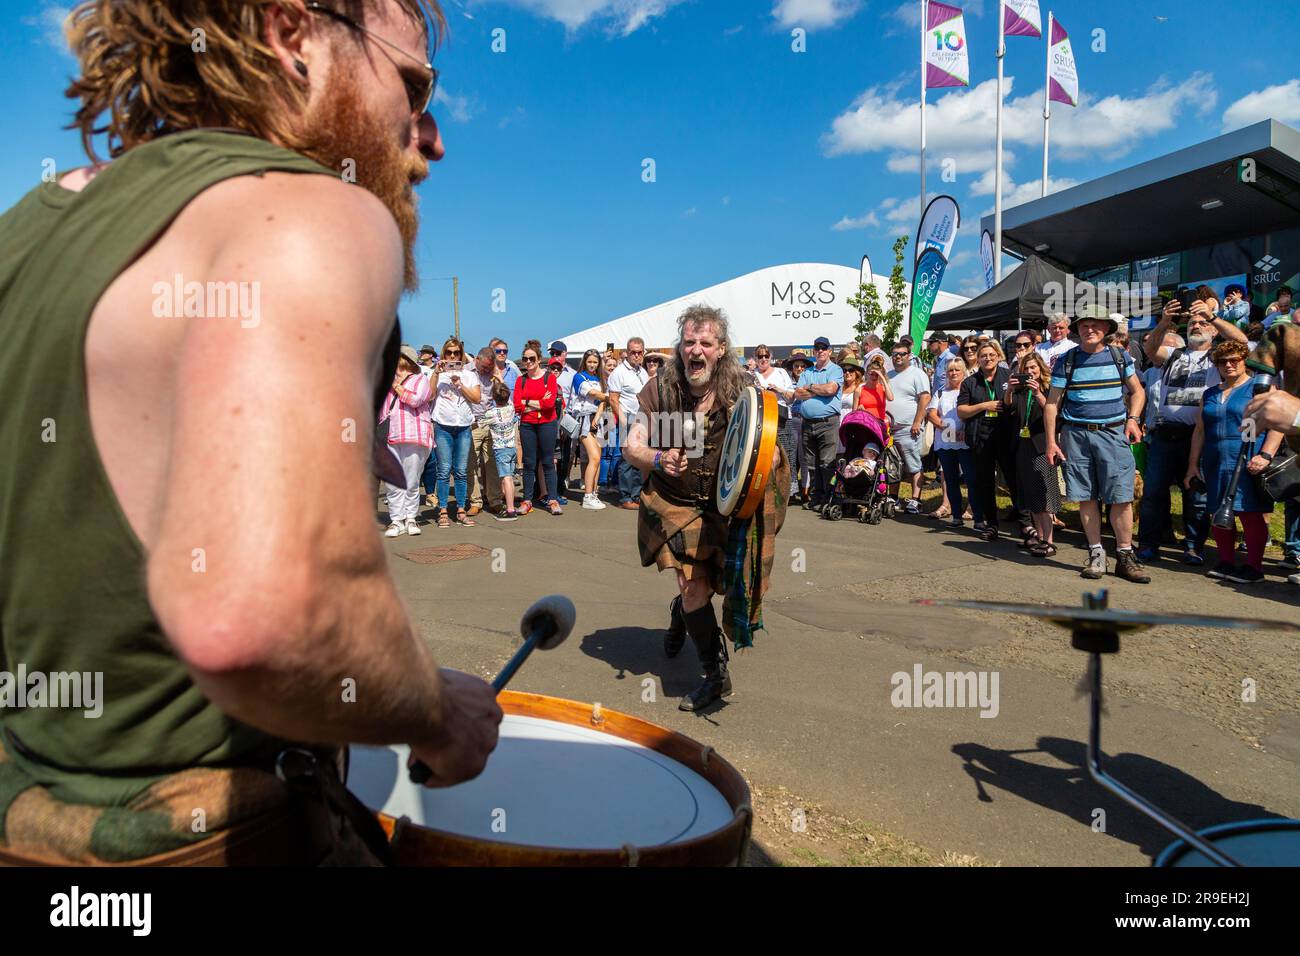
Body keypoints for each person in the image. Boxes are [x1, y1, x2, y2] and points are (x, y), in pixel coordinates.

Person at [0, 0, 505, 865]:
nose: (431, 137)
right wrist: (439, 712)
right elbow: (263, 615)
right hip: (205, 836)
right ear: (291, 35)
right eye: (415, 86)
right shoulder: (318, 210)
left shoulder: (28, 229)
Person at [623, 305, 790, 711]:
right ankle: (716, 676)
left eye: (705, 343)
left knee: (708, 584)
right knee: (695, 586)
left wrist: (765, 467)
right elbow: (632, 446)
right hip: (673, 502)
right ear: (680, 348)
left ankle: (682, 615)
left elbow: (764, 444)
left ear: (721, 349)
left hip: (725, 504)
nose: (696, 350)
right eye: (689, 342)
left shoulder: (743, 391)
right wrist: (660, 459)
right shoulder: (662, 390)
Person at [1043, 306, 1150, 582]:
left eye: (1096, 325)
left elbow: (1137, 392)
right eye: (1084, 325)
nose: (1090, 329)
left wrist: (1133, 419)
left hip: (1113, 434)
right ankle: (1096, 554)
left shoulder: (1119, 356)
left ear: (1106, 329)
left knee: (1121, 497)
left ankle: (1125, 556)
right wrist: (1052, 442)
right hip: (1076, 436)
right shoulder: (1067, 360)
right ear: (1076, 330)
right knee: (1086, 496)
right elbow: (1052, 404)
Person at [1136, 295, 1247, 563]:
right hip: (1165, 434)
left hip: (1198, 436)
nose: (1195, 326)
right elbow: (1150, 348)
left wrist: (1212, 316)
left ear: (1211, 329)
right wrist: (1164, 321)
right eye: (1192, 324)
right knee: (1153, 493)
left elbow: (1242, 342)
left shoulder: (1217, 357)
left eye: (1201, 324)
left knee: (1195, 493)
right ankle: (1149, 544)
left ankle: (1193, 546)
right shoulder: (1173, 354)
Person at [1185, 340, 1286, 584]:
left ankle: (1254, 567)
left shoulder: (1259, 388)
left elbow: (1277, 424)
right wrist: (1192, 465)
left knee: (1249, 513)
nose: (1228, 365)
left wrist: (1265, 455)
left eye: (1234, 360)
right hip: (1214, 457)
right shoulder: (1210, 393)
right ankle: (1226, 561)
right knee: (1219, 511)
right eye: (1222, 361)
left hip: (1247, 456)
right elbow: (1200, 430)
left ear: (1245, 361)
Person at [958, 342, 1021, 542]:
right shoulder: (970, 382)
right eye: (983, 355)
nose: (987, 358)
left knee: (1014, 480)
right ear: (978, 358)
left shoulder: (1007, 378)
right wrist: (985, 405)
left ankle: (1025, 523)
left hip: (1005, 435)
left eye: (991, 354)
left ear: (999, 356)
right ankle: (991, 524)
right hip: (981, 436)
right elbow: (962, 411)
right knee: (985, 483)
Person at [1004, 350, 1060, 556]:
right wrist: (1010, 390)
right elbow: (1008, 409)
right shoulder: (1020, 390)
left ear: (1041, 369)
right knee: (1030, 496)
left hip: (1042, 446)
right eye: (1026, 369)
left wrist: (1038, 394)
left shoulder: (1049, 388)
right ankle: (1039, 536)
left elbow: (1053, 412)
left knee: (1044, 495)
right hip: (1023, 446)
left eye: (1033, 368)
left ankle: (1049, 540)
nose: (1030, 372)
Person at [381, 345, 435, 536]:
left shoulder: (421, 380)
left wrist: (396, 387)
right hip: (390, 436)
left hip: (415, 435)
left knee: (411, 480)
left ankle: (411, 517)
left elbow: (417, 399)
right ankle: (396, 520)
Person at [430, 336, 481, 527]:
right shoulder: (438, 374)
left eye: (456, 353)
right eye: (449, 353)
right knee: (443, 470)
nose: (453, 356)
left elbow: (476, 398)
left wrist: (460, 384)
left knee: (461, 471)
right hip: (443, 426)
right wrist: (436, 373)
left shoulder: (469, 375)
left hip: (463, 427)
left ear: (461, 354)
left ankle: (460, 509)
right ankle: (442, 510)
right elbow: (429, 395)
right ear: (444, 354)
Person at [927, 359, 978, 529]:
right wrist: (946, 428)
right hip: (945, 442)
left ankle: (977, 516)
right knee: (950, 479)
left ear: (964, 371)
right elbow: (932, 414)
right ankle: (956, 515)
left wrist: (965, 431)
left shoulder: (970, 390)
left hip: (965, 442)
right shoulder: (941, 392)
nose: (953, 373)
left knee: (971, 479)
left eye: (957, 370)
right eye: (950, 370)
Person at [513, 340, 562, 516]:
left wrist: (529, 403)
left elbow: (550, 404)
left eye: (531, 358)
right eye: (525, 359)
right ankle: (527, 500)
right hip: (527, 425)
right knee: (529, 463)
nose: (528, 362)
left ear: (539, 358)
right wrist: (537, 403)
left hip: (547, 424)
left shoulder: (550, 378)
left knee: (548, 462)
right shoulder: (521, 380)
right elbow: (517, 405)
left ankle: (553, 499)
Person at [796, 336, 843, 511]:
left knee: (827, 463)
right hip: (807, 423)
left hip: (827, 423)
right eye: (817, 348)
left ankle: (829, 497)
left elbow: (831, 389)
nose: (820, 351)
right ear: (814, 351)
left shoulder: (835, 370)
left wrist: (811, 387)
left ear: (830, 351)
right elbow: (799, 393)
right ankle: (816, 496)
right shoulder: (807, 372)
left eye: (824, 348)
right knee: (811, 463)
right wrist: (819, 390)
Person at [887, 343, 931, 513]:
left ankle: (915, 499)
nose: (898, 357)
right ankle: (893, 497)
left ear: (909, 355)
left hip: (909, 427)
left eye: (902, 354)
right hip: (890, 429)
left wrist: (917, 422)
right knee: (892, 465)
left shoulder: (917, 374)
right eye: (895, 354)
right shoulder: (889, 375)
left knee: (913, 465)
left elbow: (925, 398)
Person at [607, 337, 650, 510]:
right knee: (627, 460)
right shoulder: (619, 372)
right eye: (633, 352)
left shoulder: (642, 371)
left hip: (642, 419)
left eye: (640, 352)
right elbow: (613, 399)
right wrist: (624, 422)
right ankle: (625, 497)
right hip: (628, 418)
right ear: (627, 352)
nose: (637, 356)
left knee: (639, 458)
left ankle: (636, 495)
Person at [753, 345, 797, 505]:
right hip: (762, 419)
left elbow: (792, 398)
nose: (763, 359)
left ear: (770, 357)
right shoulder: (753, 375)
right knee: (764, 456)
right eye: (760, 356)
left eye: (766, 356)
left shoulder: (781, 373)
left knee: (787, 455)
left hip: (782, 418)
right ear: (756, 358)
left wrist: (777, 389)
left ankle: (789, 492)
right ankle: (766, 490)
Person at [465, 346, 504, 517]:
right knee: (470, 464)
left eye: (490, 367)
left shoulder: (494, 373)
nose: (487, 370)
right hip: (472, 422)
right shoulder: (466, 371)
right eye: (485, 367)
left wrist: (499, 380)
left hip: (490, 422)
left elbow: (503, 398)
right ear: (477, 360)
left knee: (492, 464)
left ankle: (495, 500)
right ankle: (475, 501)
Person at [570, 349, 608, 510]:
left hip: (597, 420)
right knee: (594, 457)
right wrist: (612, 397)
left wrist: (599, 416)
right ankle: (587, 496)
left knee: (598, 458)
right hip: (584, 418)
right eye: (589, 361)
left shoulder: (601, 379)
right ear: (584, 362)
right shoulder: (579, 377)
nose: (592, 365)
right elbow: (593, 394)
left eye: (595, 362)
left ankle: (593, 493)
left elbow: (602, 402)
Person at [487, 381, 521, 520]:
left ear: (493, 397)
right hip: (512, 447)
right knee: (510, 478)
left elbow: (479, 422)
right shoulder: (511, 408)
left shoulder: (491, 413)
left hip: (501, 449)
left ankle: (510, 509)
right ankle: (510, 503)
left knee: (506, 477)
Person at [547, 340, 576, 505]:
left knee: (565, 456)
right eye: (552, 353)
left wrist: (567, 423)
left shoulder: (572, 374)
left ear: (565, 354)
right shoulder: (547, 372)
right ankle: (549, 491)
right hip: (549, 418)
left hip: (566, 417)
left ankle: (559, 489)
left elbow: (573, 399)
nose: (555, 356)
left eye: (557, 353)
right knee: (550, 457)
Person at [785, 349, 812, 500]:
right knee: (791, 457)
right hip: (792, 420)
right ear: (792, 368)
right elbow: (788, 399)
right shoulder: (788, 382)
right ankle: (791, 490)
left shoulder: (810, 381)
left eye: (802, 366)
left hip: (806, 420)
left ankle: (805, 490)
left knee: (804, 457)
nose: (800, 369)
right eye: (796, 366)